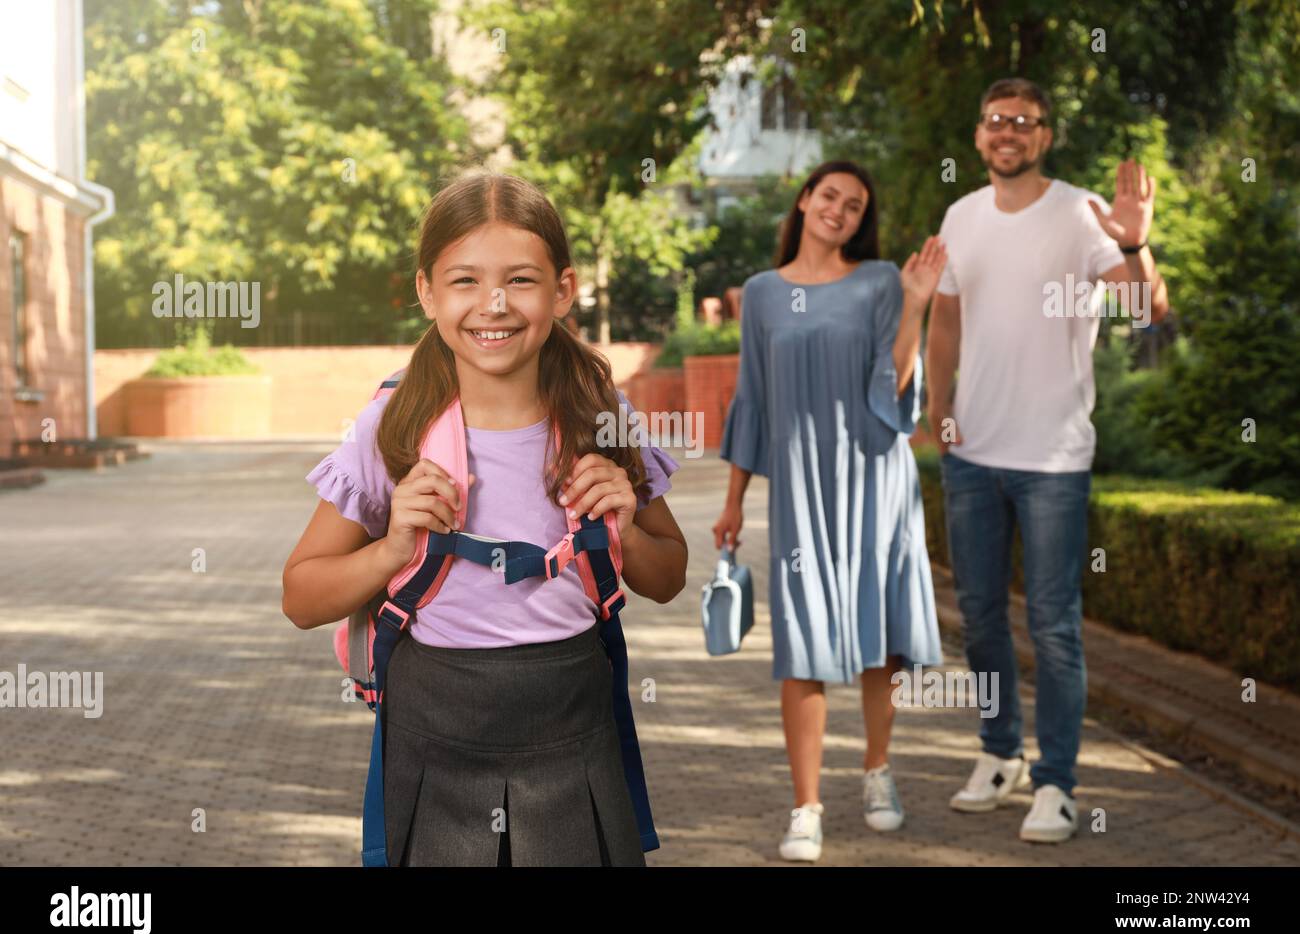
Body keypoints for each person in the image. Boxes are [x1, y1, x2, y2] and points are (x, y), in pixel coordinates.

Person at [282, 172, 688, 866]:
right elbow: (300, 596)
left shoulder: (599, 414)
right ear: (427, 291)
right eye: (465, 280)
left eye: (521, 281)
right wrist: (390, 550)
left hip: (573, 728)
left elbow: (669, 574)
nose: (493, 305)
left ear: (563, 290)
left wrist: (622, 522)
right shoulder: (394, 424)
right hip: (435, 734)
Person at [926, 78, 1169, 843]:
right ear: (978, 134)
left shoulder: (1080, 211)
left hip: (1054, 456)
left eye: (1024, 123)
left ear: (1044, 137)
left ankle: (1057, 784)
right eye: (997, 120)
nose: (1009, 133)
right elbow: (946, 321)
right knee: (983, 620)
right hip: (974, 455)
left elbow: (1143, 311)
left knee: (1055, 626)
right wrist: (940, 409)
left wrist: (1133, 243)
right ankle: (1000, 754)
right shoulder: (960, 215)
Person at [712, 160, 946, 862]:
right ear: (805, 200)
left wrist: (914, 305)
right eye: (829, 195)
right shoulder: (761, 293)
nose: (839, 209)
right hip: (798, 486)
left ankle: (877, 772)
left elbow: (895, 390)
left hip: (875, 476)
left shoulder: (879, 281)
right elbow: (751, 399)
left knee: (882, 637)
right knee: (801, 643)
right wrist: (731, 502)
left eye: (854, 204)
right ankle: (806, 805)